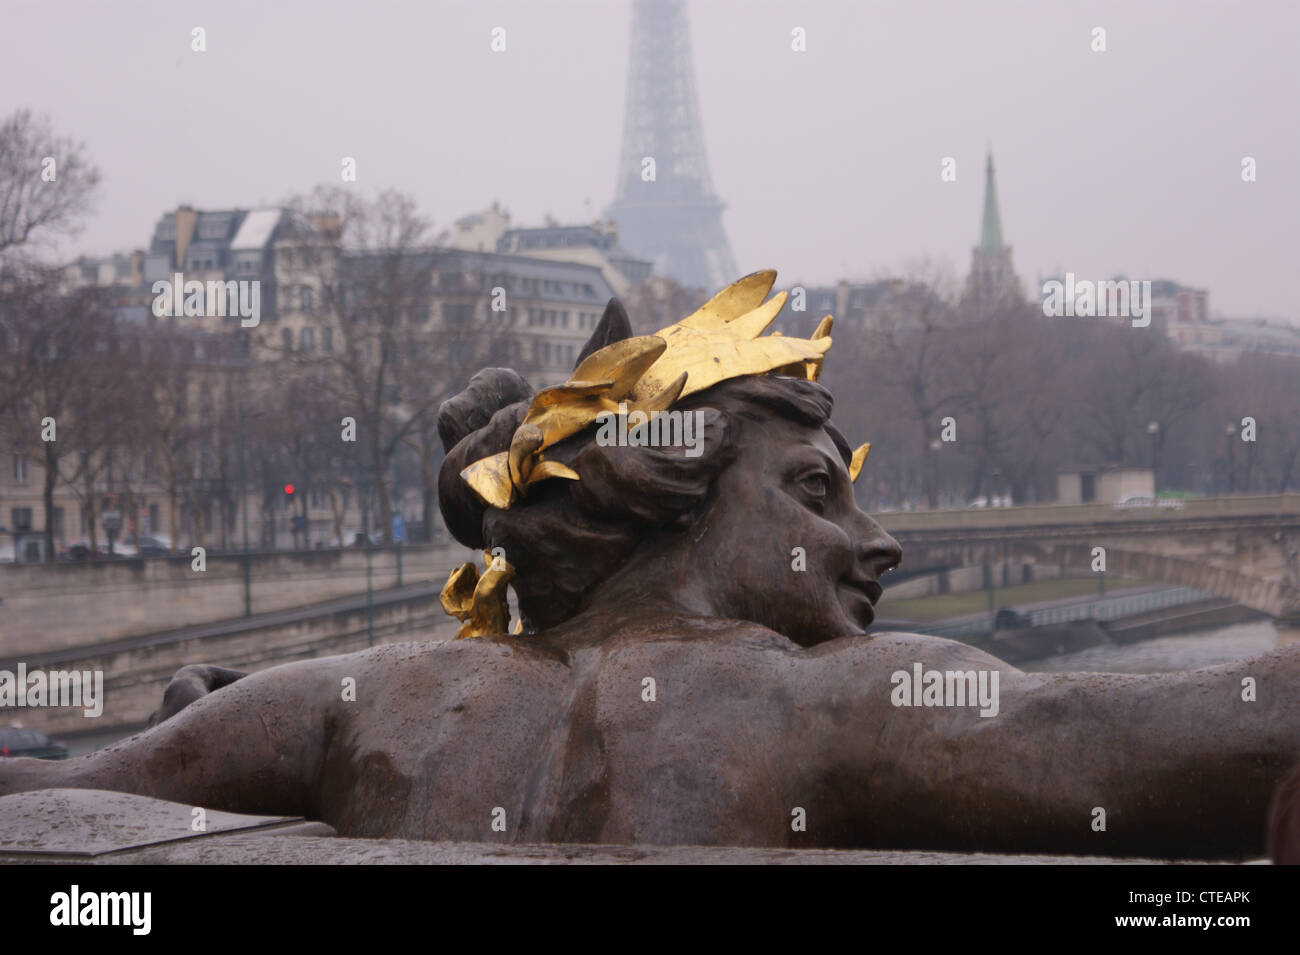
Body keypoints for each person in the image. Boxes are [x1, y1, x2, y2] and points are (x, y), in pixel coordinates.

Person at [2, 273, 1297, 858]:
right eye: (816, 492)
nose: (877, 539)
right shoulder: (785, 709)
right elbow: (1110, 730)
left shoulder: (365, 697)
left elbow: (61, 786)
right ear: (674, 493)